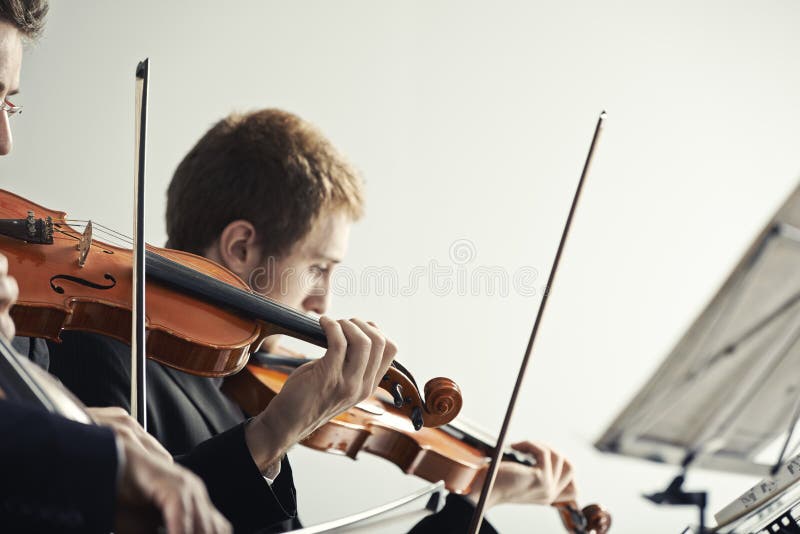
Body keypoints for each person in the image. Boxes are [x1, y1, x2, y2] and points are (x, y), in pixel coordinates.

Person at [49, 109, 577, 532]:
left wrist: (475, 501)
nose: (324, 299)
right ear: (241, 246)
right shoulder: (99, 347)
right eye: (319, 267)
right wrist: (275, 432)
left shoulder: (240, 381)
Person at [0, 2, 231, 532]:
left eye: (8, 103)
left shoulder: (28, 316)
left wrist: (69, 424)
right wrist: (93, 455)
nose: (5, 143)